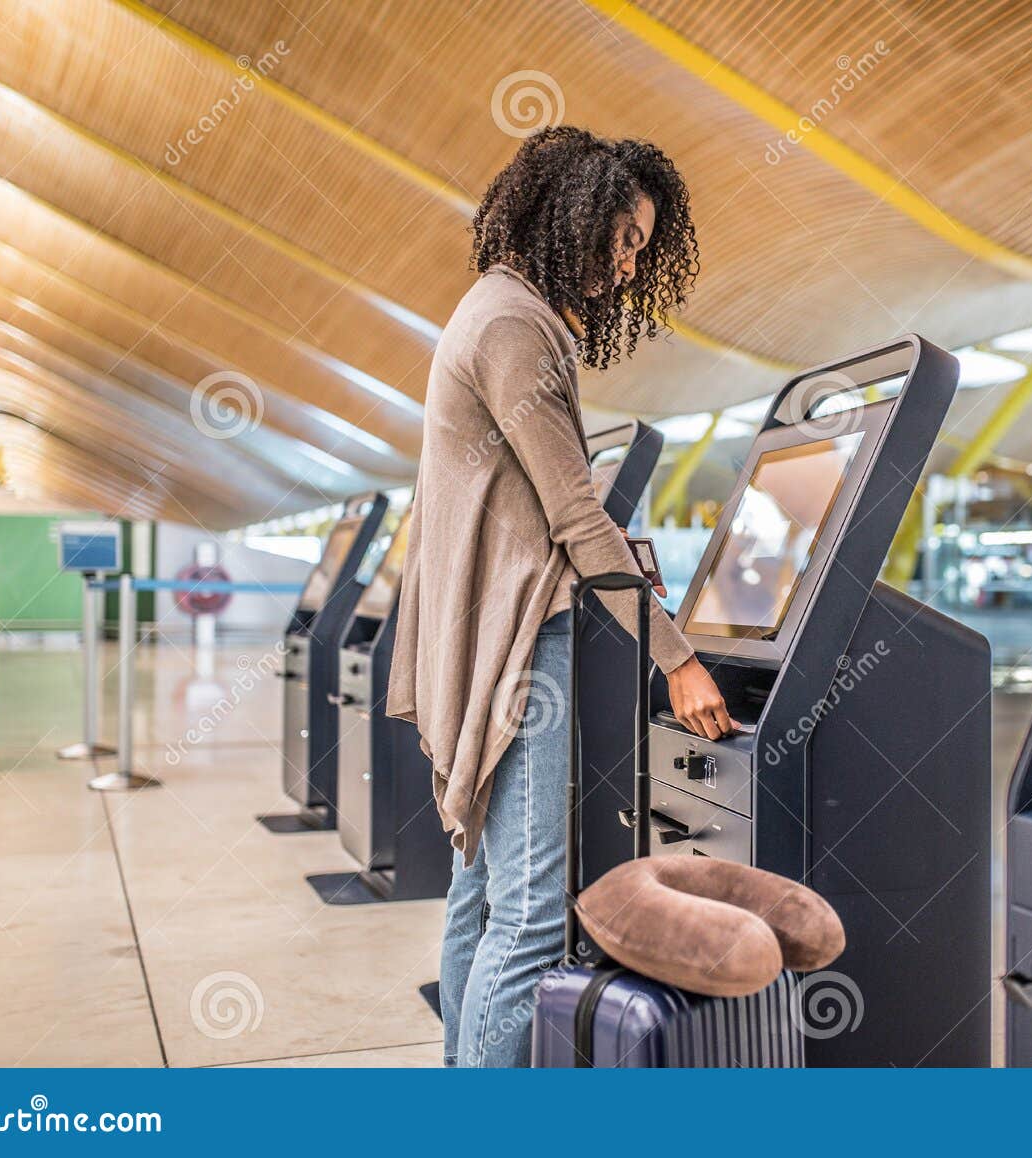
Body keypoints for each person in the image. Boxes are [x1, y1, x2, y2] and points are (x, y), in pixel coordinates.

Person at [387, 126, 738, 1067]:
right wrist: (679, 657)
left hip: (480, 641)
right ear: (571, 216)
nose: (627, 268)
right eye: (622, 240)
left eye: (639, 249)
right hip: (518, 651)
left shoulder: (491, 309)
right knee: (534, 919)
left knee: (483, 897)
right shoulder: (515, 328)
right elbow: (578, 519)